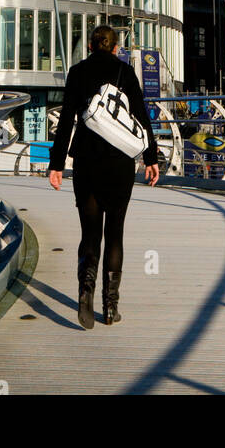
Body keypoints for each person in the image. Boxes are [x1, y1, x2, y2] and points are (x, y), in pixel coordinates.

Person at [48, 25, 159, 329]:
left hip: (86, 161)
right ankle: (110, 307)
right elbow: (142, 116)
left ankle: (85, 295)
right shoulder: (125, 72)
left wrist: (56, 165)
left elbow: (67, 120)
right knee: (115, 234)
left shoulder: (77, 72)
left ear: (90, 47)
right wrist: (151, 158)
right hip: (120, 163)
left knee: (90, 233)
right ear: (115, 48)